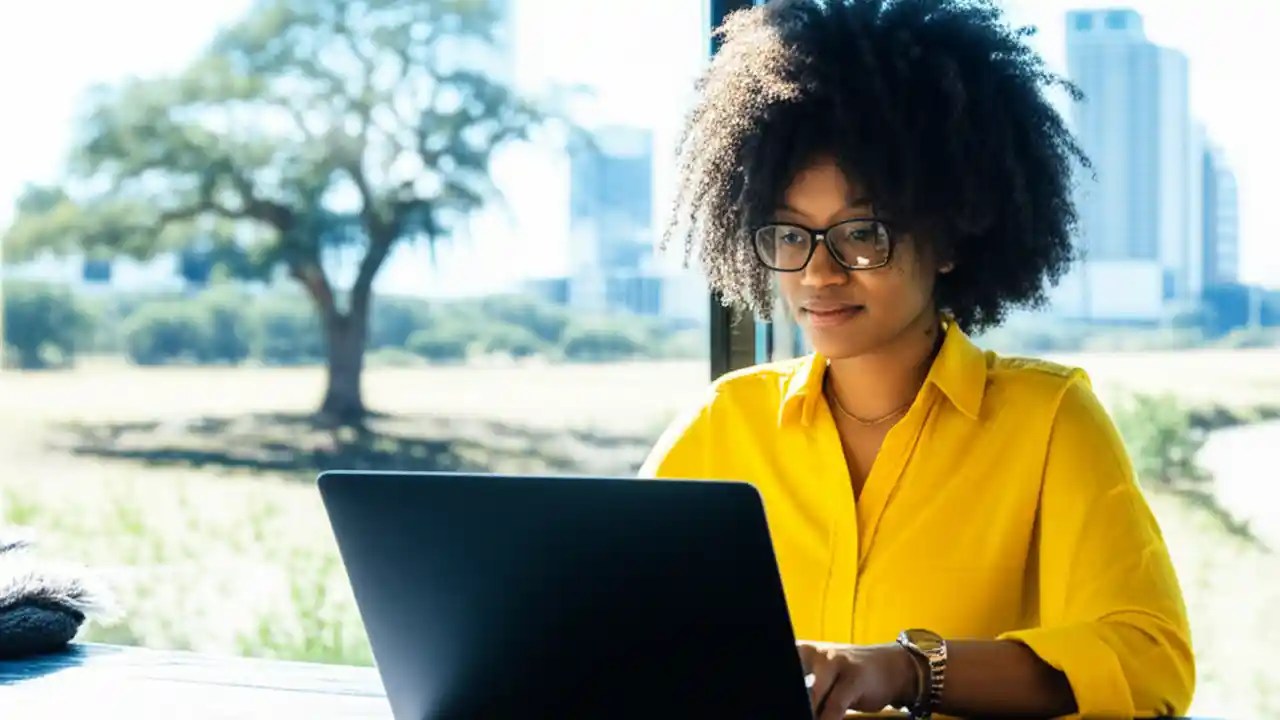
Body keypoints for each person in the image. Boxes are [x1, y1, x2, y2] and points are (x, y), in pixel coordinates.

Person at [641, 1, 1195, 718]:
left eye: (862, 233)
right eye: (790, 235)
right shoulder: (723, 425)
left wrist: (909, 670)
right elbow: (616, 634)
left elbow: (1148, 665)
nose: (818, 273)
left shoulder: (1048, 421)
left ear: (952, 237)